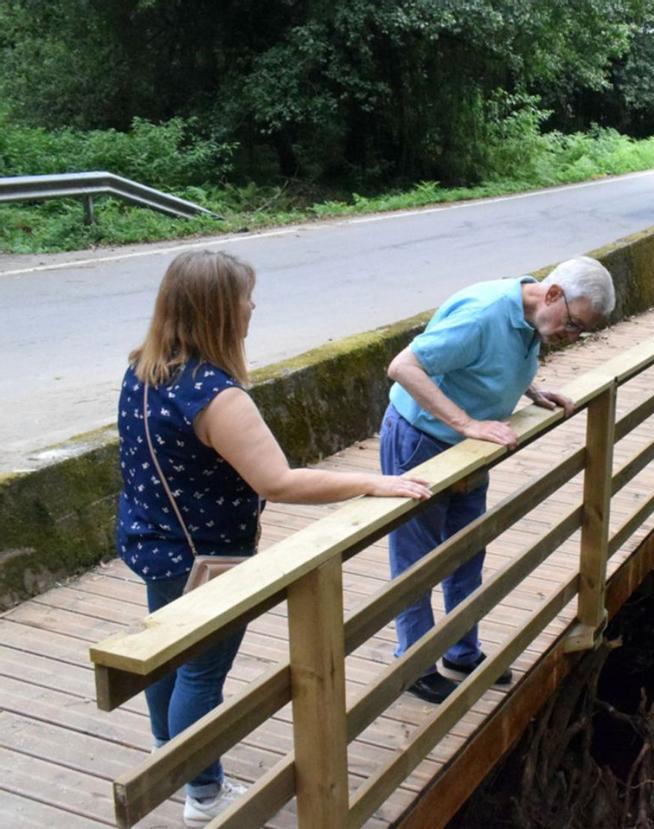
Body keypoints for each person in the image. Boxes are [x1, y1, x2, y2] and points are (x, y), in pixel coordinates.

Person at [116, 250, 431, 828]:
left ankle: (170, 760)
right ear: (217, 310)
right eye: (244, 297)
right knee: (200, 672)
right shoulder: (216, 395)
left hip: (150, 542)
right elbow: (278, 482)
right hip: (207, 557)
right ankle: (204, 792)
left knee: (166, 660)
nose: (252, 306)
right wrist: (371, 479)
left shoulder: (144, 368)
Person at [382, 256, 616, 704]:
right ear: (552, 294)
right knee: (418, 559)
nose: (572, 336)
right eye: (573, 324)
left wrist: (529, 390)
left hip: (471, 448)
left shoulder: (533, 313)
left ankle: (461, 652)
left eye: (582, 331)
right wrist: (466, 423)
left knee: (467, 550)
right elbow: (403, 367)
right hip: (422, 439)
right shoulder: (485, 314)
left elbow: (489, 364)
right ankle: (414, 664)